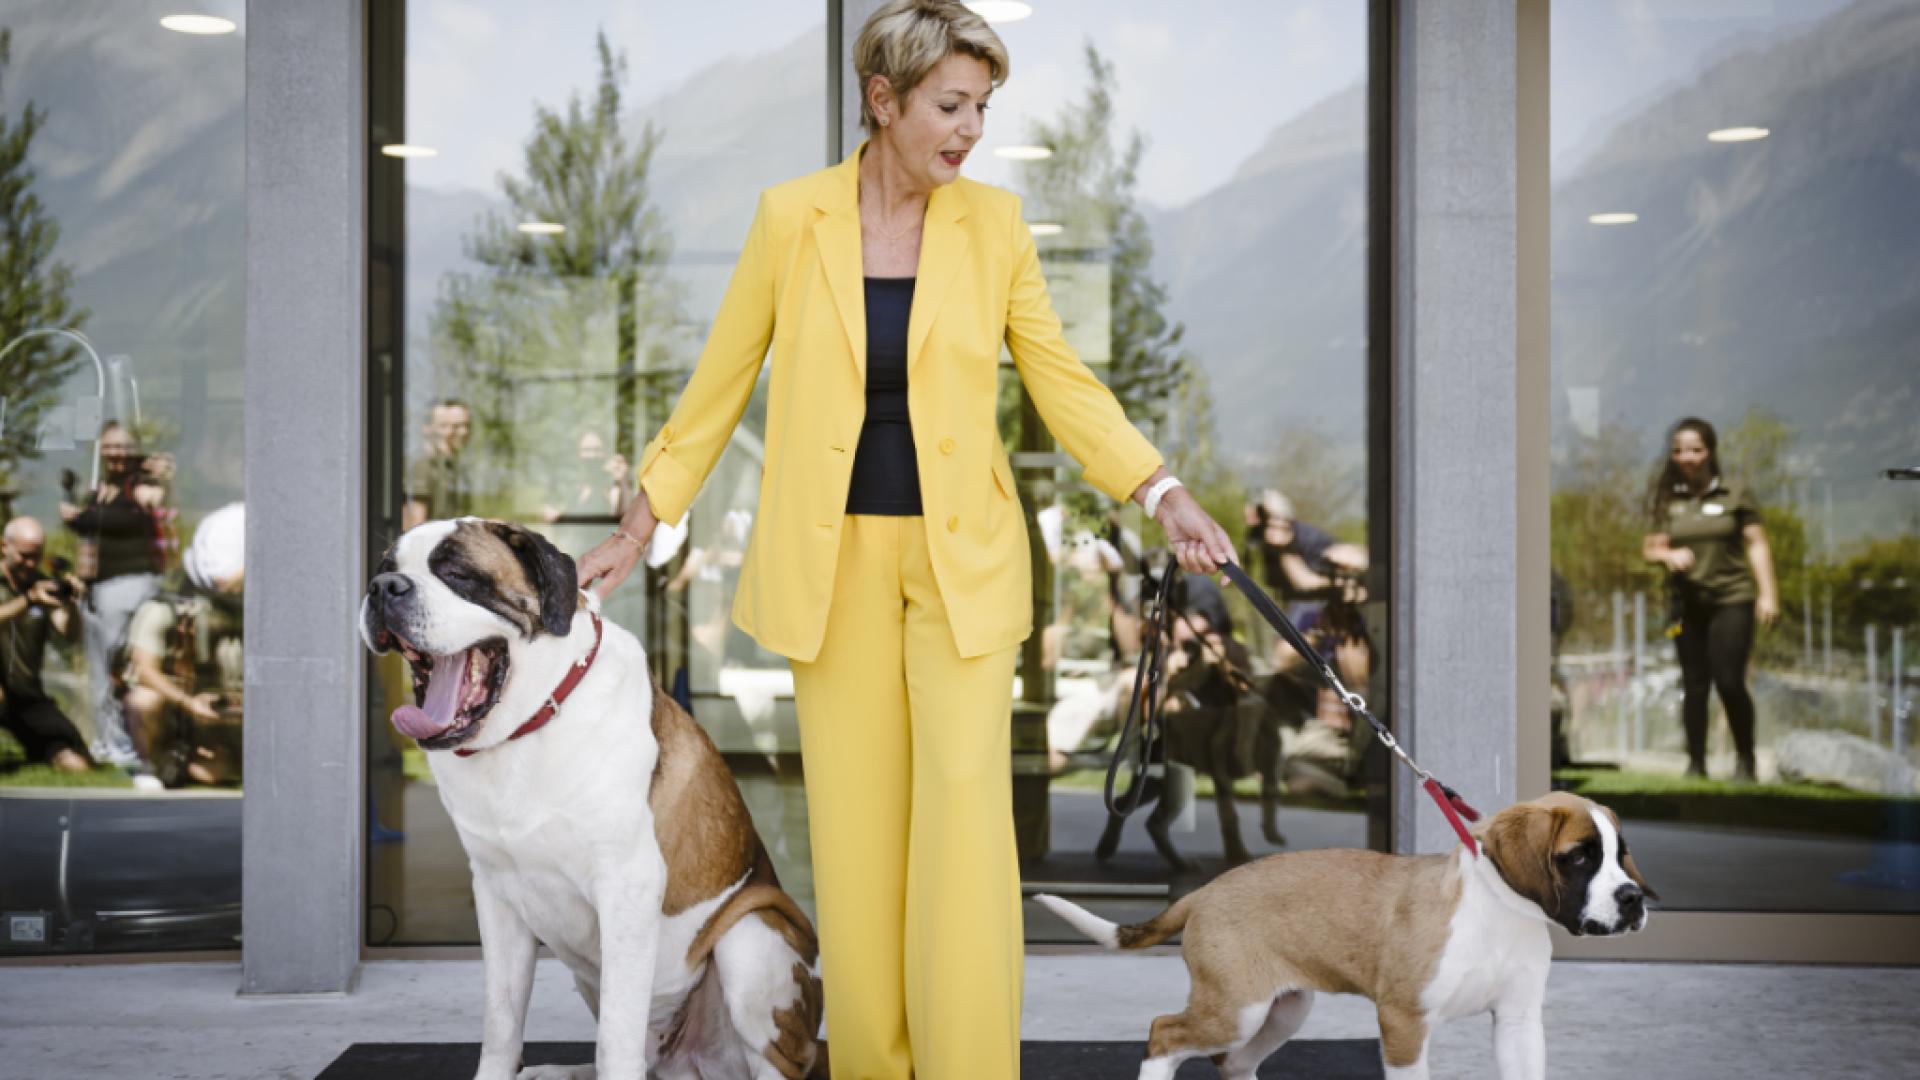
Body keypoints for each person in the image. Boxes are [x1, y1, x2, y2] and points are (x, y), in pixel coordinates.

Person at [573, 4, 1236, 1076]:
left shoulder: (997, 225)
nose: (971, 128)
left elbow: (1061, 379)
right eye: (951, 104)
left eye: (982, 106)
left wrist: (1158, 487)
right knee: (860, 842)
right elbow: (722, 376)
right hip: (829, 575)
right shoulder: (793, 219)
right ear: (883, 102)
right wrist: (645, 516)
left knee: (966, 841)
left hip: (960, 571)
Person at [1642, 417, 1778, 782]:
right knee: (1694, 684)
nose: (1687, 457)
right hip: (1686, 605)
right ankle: (1696, 766)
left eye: (1695, 449)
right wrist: (1668, 556)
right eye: (1679, 450)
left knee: (1729, 680)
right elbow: (1651, 548)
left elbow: (1757, 544)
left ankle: (1746, 762)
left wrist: (1768, 594)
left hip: (1732, 598)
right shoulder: (1666, 499)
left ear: (1710, 452)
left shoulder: (1736, 493)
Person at [60, 421, 167, 767]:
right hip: (98, 588)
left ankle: (126, 744)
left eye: (123, 447)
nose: (117, 454)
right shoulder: (102, 486)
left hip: (128, 585)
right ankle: (107, 743)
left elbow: (153, 500)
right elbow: (92, 532)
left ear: (134, 450)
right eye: (110, 447)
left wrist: (157, 476)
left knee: (117, 669)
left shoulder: (141, 482)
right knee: (100, 670)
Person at [120, 502, 246, 788]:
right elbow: (143, 670)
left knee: (213, 774)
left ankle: (186, 762)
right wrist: (189, 703)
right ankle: (152, 763)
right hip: (181, 708)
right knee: (143, 701)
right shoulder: (165, 607)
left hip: (223, 711)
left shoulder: (251, 608)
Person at [1, 517, 93, 774]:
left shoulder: (42, 585)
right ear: (3, 547)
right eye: (24, 556)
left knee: (77, 764)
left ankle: (40, 749)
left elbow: (68, 634)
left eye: (36, 557)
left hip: (27, 696)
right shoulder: (32, 593)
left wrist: (71, 603)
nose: (30, 564)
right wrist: (28, 600)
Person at [401, 399, 474, 530]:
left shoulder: (454, 468)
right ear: (427, 429)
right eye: (454, 426)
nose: (463, 432)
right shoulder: (422, 465)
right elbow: (415, 528)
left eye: (467, 425)